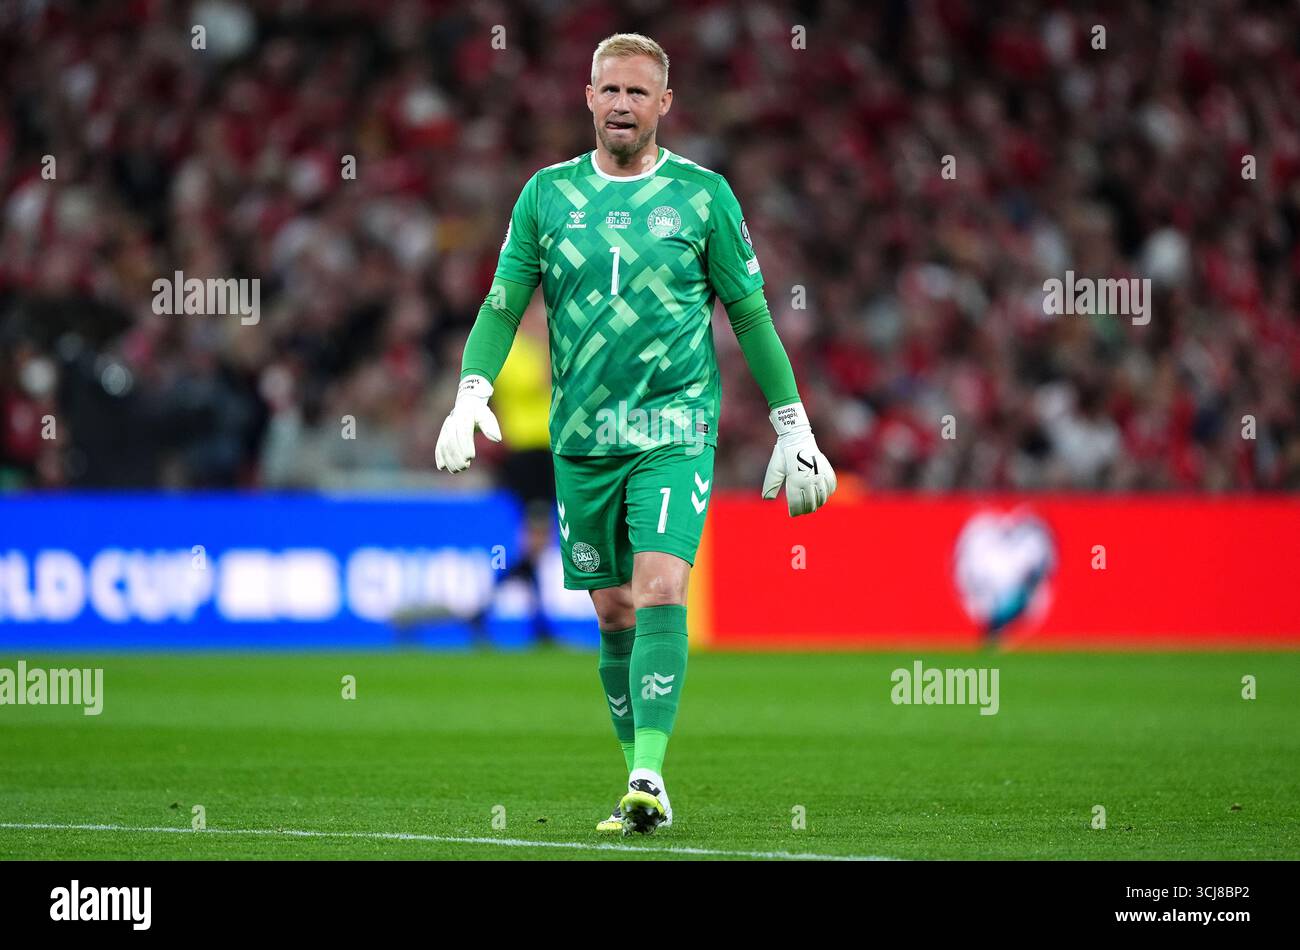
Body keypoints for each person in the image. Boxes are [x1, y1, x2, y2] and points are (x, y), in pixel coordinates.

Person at [434, 33, 836, 836]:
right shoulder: (546, 196)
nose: (622, 105)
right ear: (588, 98)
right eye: (609, 90)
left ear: (664, 104)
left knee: (660, 586)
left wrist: (794, 423)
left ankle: (650, 773)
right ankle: (634, 779)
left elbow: (750, 312)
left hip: (673, 425)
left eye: (637, 93)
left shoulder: (703, 196)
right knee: (613, 611)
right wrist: (470, 390)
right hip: (581, 436)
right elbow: (504, 303)